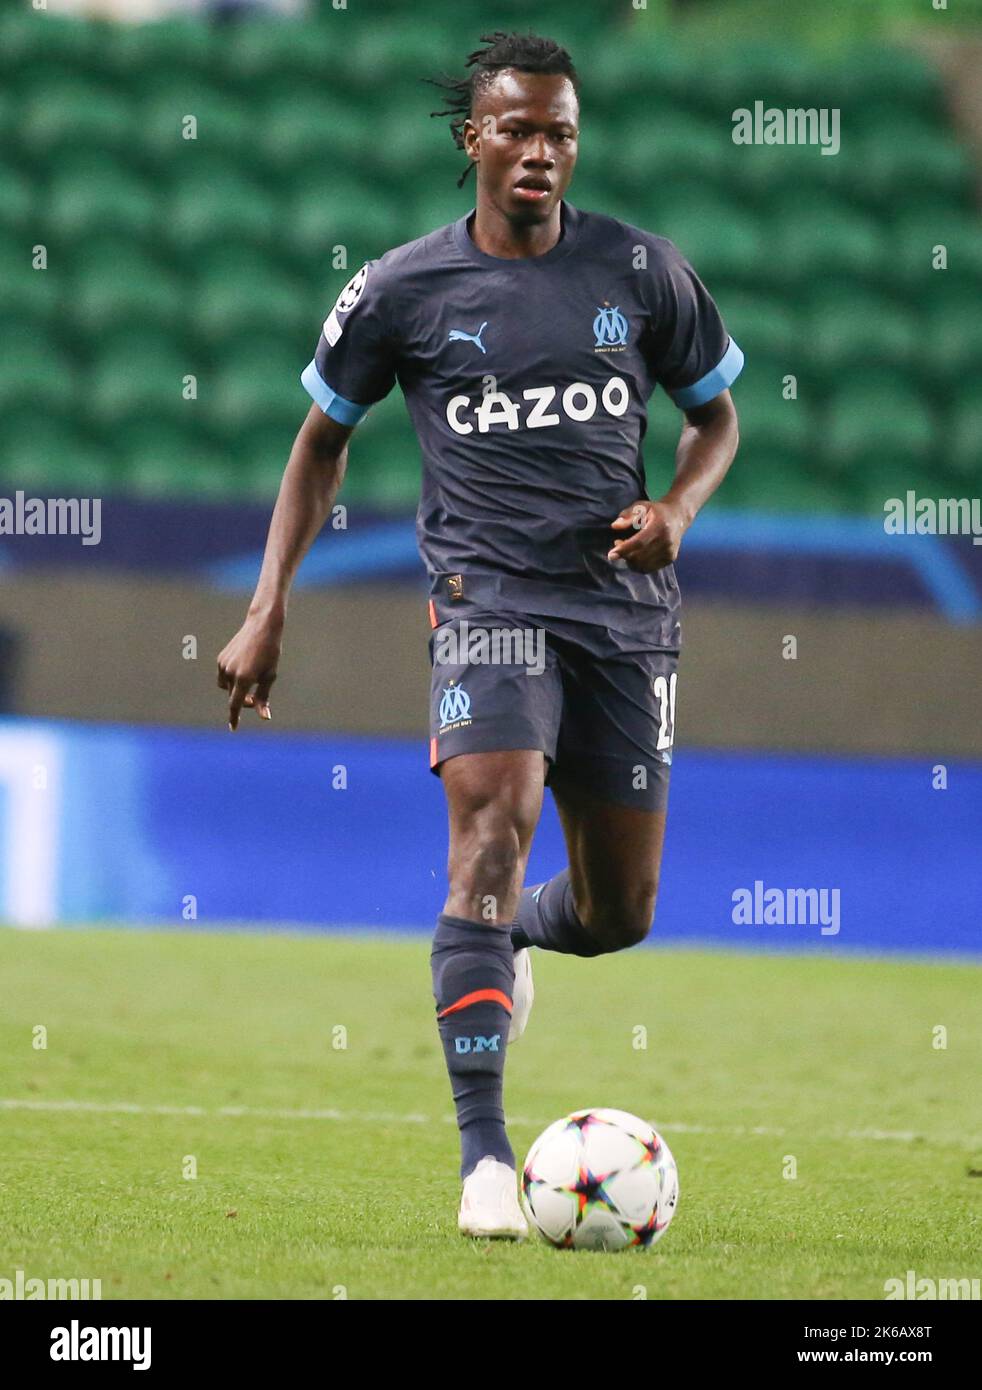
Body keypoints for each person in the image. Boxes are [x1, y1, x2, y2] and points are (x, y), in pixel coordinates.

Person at [217, 30, 742, 1239]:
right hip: (488, 604)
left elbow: (715, 422)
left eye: (559, 130)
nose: (539, 151)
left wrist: (675, 506)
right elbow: (319, 443)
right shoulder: (403, 289)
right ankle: (485, 1160)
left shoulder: (644, 271)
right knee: (491, 825)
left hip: (622, 616)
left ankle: (501, 940)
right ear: (472, 140)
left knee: (620, 913)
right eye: (516, 127)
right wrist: (266, 604)